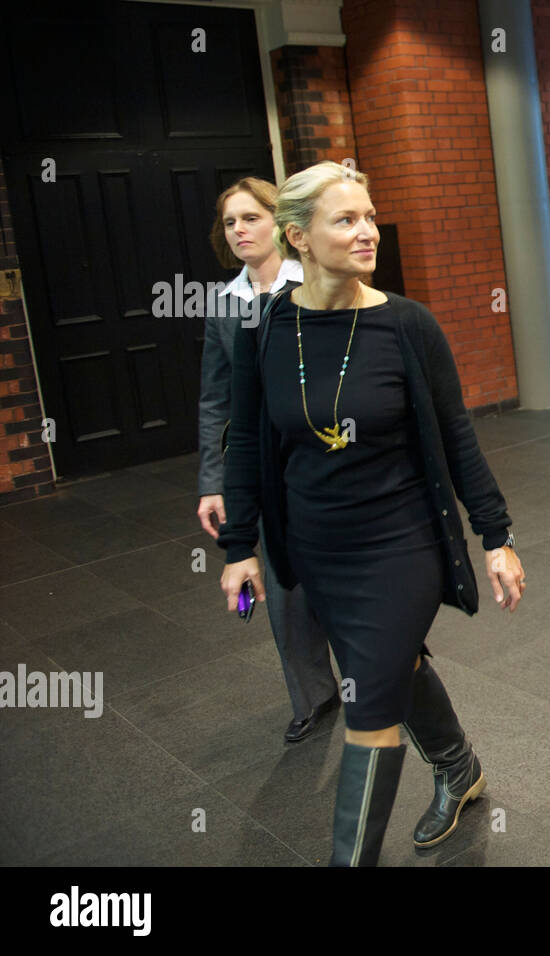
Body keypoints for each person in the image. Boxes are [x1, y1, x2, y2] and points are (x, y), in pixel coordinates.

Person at [217, 161, 526, 866]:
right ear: (298, 236)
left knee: (370, 707)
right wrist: (240, 547)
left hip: (402, 545)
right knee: (391, 664)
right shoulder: (263, 335)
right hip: (317, 546)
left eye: (369, 217)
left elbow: (458, 441)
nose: (367, 232)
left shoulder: (406, 325)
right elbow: (248, 451)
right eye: (345, 220)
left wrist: (496, 536)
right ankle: (457, 767)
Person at [198, 177, 339, 744]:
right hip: (259, 466)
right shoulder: (224, 304)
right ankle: (313, 698)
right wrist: (213, 482)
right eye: (230, 222)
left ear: (281, 222)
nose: (239, 231)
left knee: (343, 579)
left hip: (324, 458)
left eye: (250, 218)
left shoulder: (318, 283)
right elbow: (215, 400)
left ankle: (376, 682)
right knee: (282, 592)